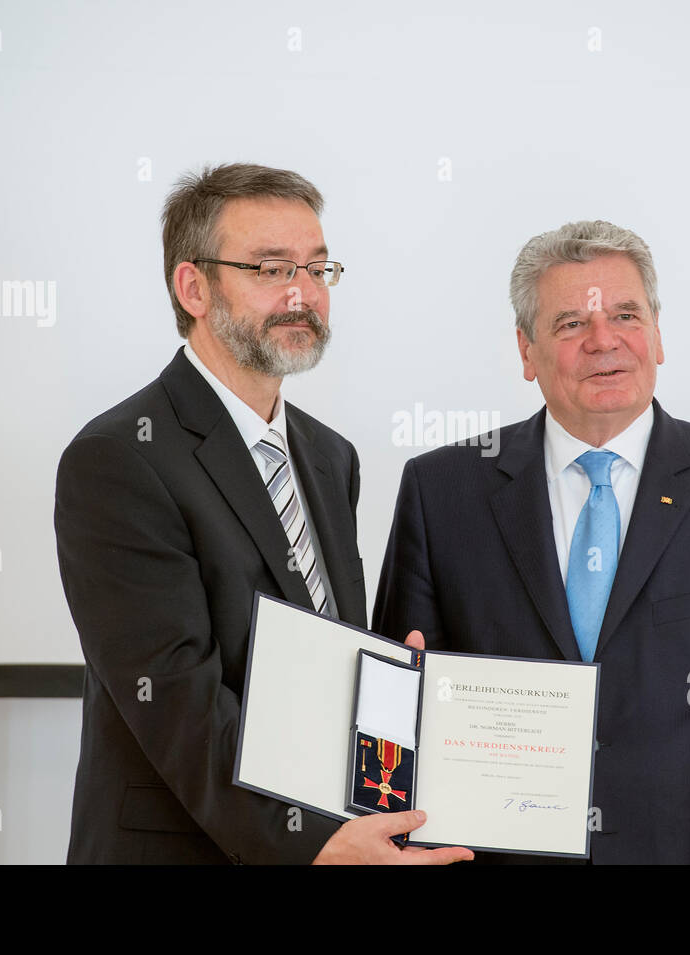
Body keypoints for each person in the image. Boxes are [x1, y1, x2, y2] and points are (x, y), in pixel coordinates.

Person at [372, 220, 690, 863]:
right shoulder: (441, 490)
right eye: (571, 324)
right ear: (526, 350)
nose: (604, 341)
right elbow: (399, 732)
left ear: (657, 333)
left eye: (626, 314)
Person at [54, 162, 471, 865]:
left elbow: (325, 664)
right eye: (271, 269)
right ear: (194, 287)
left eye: (317, 269)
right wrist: (315, 845)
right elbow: (179, 703)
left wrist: (392, 691)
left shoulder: (329, 457)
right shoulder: (120, 458)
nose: (302, 294)